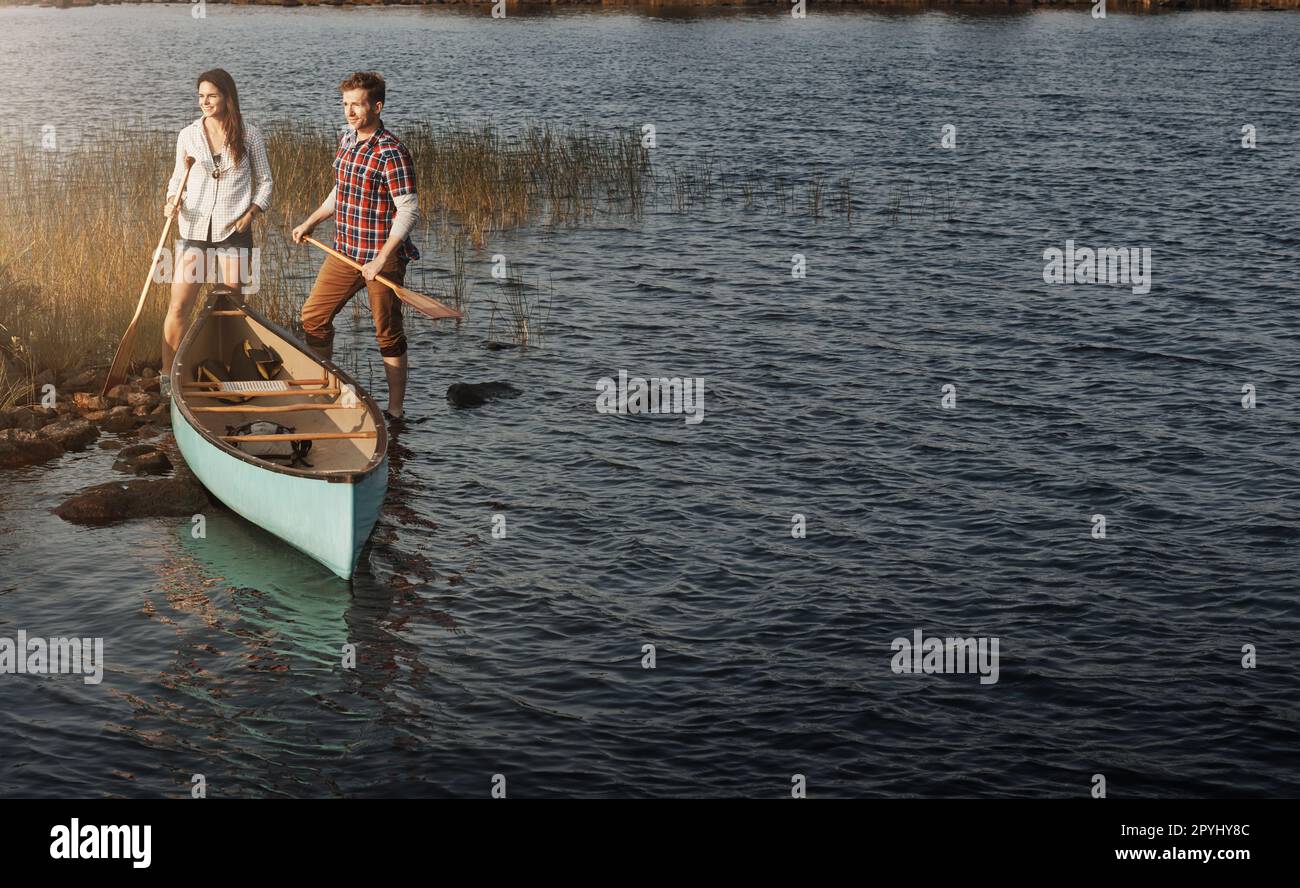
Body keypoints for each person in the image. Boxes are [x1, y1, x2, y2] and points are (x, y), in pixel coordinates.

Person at [292, 70, 420, 423]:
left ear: (376, 106)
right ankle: (327, 392)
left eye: (357, 105)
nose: (349, 112)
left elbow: (408, 209)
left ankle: (395, 412)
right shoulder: (347, 140)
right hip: (344, 251)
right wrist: (310, 222)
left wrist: (382, 259)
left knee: (387, 334)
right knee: (313, 317)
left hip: (383, 257)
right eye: (345, 104)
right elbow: (340, 192)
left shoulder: (391, 151)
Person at [161, 68, 272, 394]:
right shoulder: (188, 135)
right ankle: (168, 377)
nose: (204, 102)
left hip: (233, 230)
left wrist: (252, 212)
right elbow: (176, 178)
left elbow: (265, 181)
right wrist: (171, 200)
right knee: (179, 305)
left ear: (227, 97)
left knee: (229, 308)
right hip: (194, 228)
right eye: (200, 96)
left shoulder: (249, 134)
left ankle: (223, 372)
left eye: (211, 95)